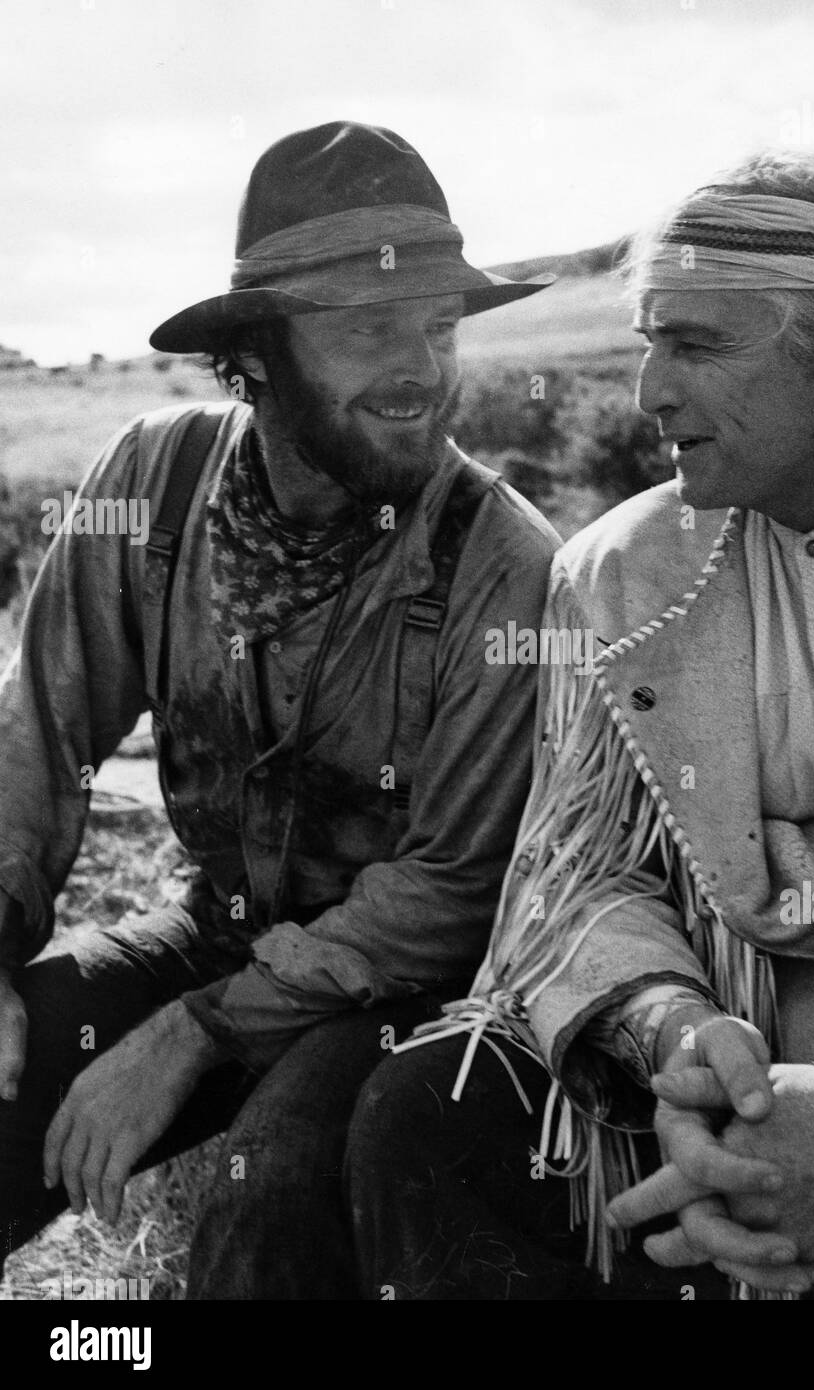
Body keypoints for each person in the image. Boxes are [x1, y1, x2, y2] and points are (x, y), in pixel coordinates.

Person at [346, 150, 814, 1300]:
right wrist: (673, 1037)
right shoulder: (616, 574)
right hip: (720, 1107)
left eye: (692, 343)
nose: (648, 392)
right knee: (426, 1113)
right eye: (645, 339)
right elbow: (572, 875)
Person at [0, 120, 559, 1299]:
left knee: (266, 1203)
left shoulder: (503, 562)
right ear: (254, 354)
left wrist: (200, 1029)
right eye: (367, 328)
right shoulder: (151, 483)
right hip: (216, 929)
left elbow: (453, 887)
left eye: (437, 325)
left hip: (406, 991)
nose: (421, 367)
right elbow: (36, 738)